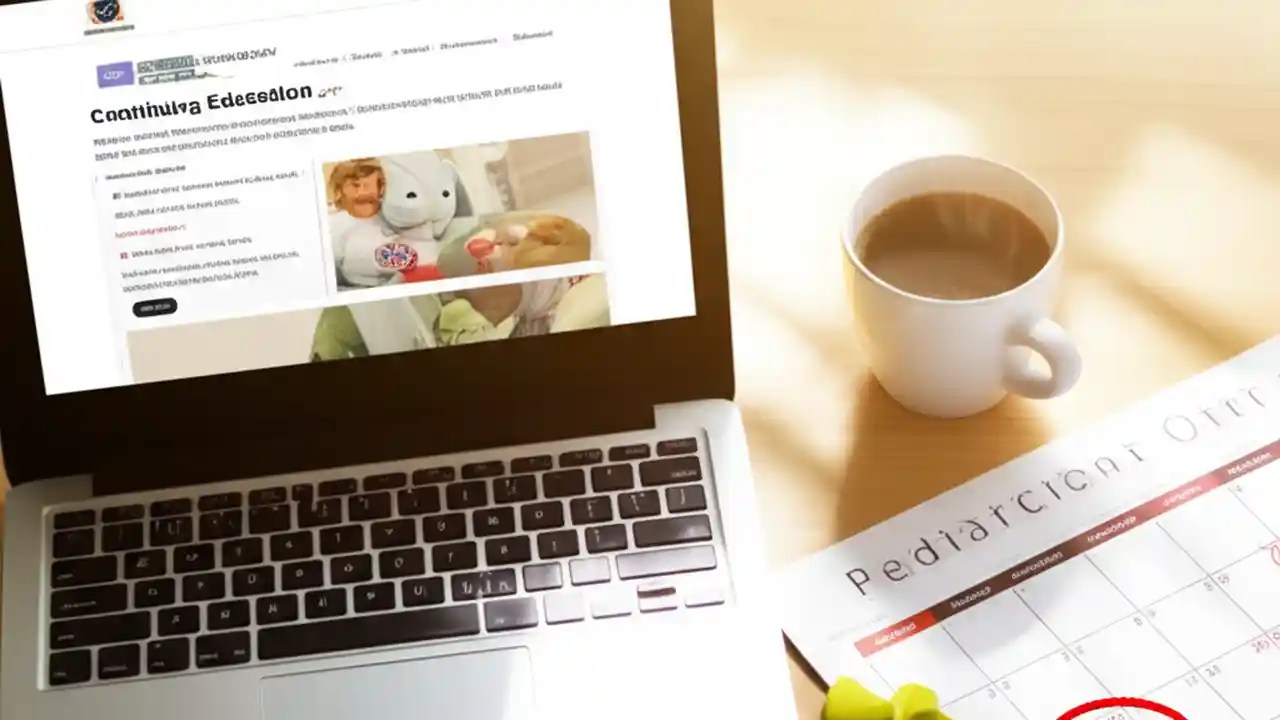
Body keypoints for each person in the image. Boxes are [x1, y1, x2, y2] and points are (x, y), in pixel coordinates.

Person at [326, 159, 386, 287]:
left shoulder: (394, 218)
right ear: (339, 190)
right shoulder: (332, 224)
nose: (363, 193)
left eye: (369, 185)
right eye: (355, 185)